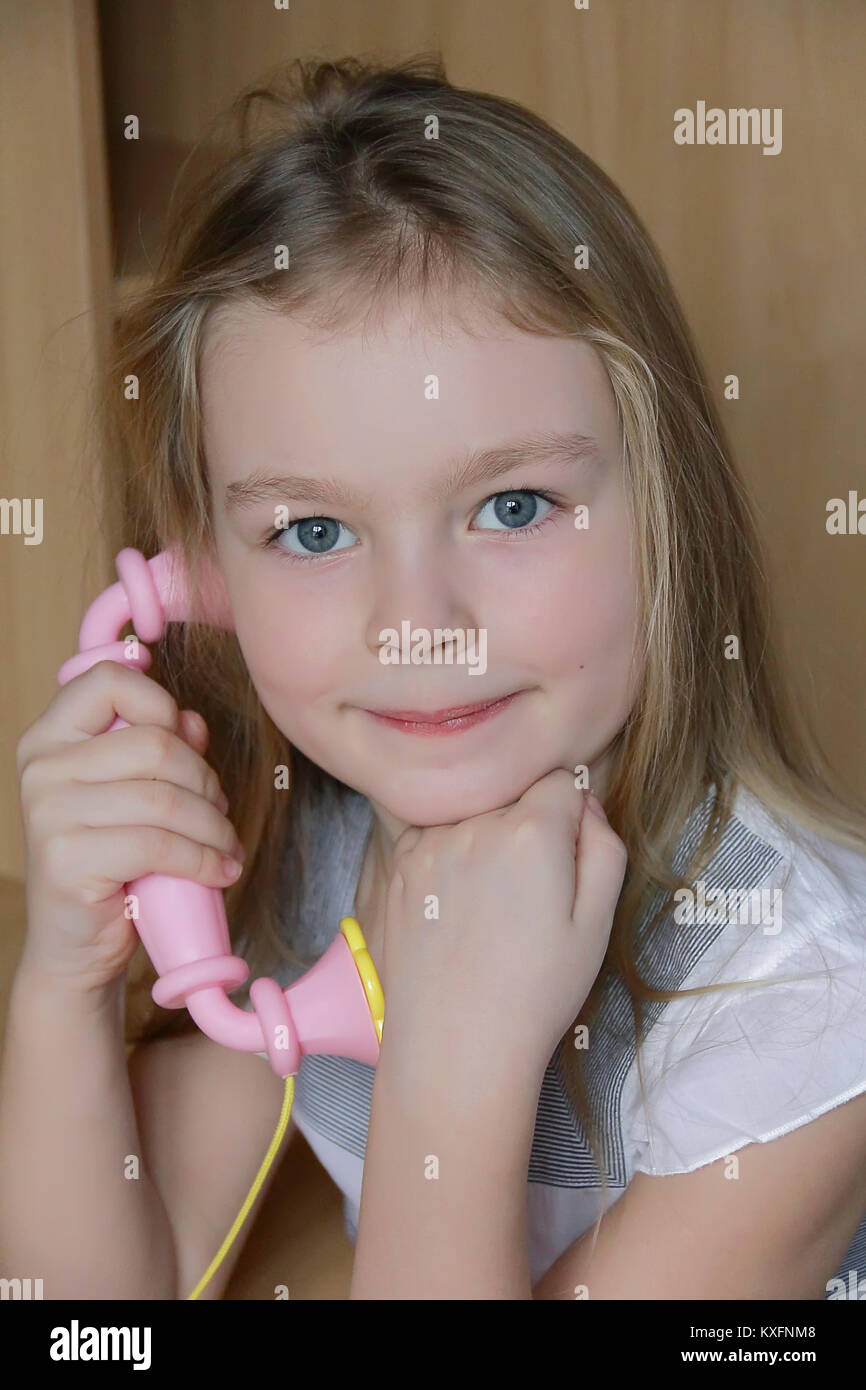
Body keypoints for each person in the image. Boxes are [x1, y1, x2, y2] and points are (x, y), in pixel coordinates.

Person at [3, 53, 865, 1301]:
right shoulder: (318, 835)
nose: (417, 626)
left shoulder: (797, 1000)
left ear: (664, 511)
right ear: (199, 579)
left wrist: (451, 1078)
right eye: (311, 531)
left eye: (512, 505)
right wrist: (64, 978)